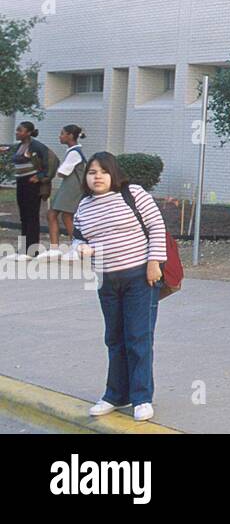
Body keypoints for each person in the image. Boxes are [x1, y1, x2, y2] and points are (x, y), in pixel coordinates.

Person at [71, 152, 167, 422]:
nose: (97, 176)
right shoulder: (84, 206)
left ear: (113, 173)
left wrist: (154, 262)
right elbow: (77, 238)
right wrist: (81, 248)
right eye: (92, 172)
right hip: (106, 281)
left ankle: (142, 397)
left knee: (138, 336)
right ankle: (115, 394)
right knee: (114, 338)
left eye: (103, 171)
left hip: (139, 276)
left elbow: (157, 226)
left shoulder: (132, 193)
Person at [2, 121, 52, 255]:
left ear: (28, 132)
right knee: (23, 216)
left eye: (20, 130)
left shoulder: (36, 146)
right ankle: (24, 247)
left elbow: (50, 164)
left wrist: (40, 176)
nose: (17, 132)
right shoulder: (20, 146)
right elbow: (9, 150)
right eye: (17, 130)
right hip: (21, 182)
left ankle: (32, 249)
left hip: (32, 184)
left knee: (31, 216)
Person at [49, 125, 88, 255]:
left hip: (72, 187)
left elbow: (62, 172)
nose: (60, 136)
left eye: (62, 133)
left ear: (70, 136)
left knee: (62, 215)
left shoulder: (74, 153)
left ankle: (71, 247)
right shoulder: (74, 151)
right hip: (70, 186)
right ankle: (62, 247)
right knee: (62, 215)